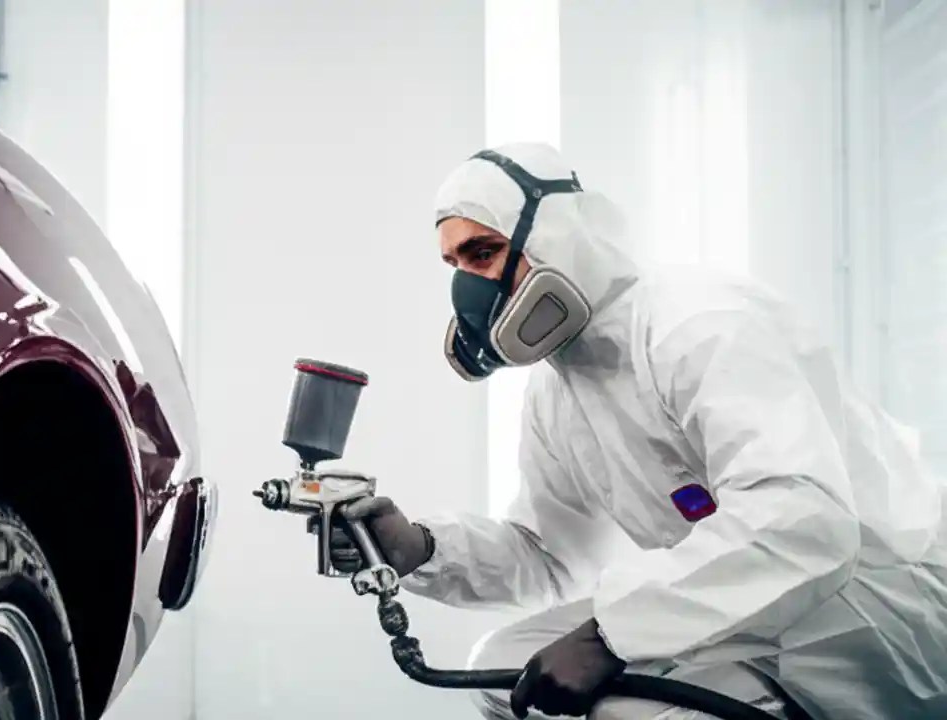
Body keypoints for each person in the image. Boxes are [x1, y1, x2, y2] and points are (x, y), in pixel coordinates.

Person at [330, 143, 947, 720]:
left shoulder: (697, 322)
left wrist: (610, 637)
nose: (469, 286)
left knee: (627, 711)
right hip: (739, 607)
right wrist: (420, 547)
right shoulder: (559, 387)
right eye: (456, 264)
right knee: (499, 671)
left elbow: (805, 520)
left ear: (555, 240)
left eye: (483, 253)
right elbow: (550, 555)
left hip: (869, 612)